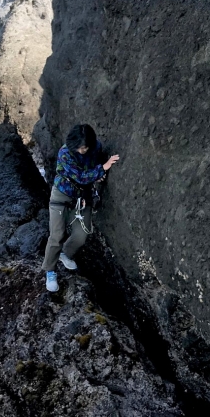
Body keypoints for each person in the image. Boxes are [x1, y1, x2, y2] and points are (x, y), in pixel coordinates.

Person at [43, 124, 120, 292]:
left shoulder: (96, 147)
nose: (80, 150)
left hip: (83, 196)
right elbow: (81, 177)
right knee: (57, 235)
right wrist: (102, 168)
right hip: (62, 194)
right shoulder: (65, 153)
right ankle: (50, 272)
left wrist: (98, 172)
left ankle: (65, 253)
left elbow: (92, 167)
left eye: (84, 147)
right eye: (77, 147)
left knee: (81, 235)